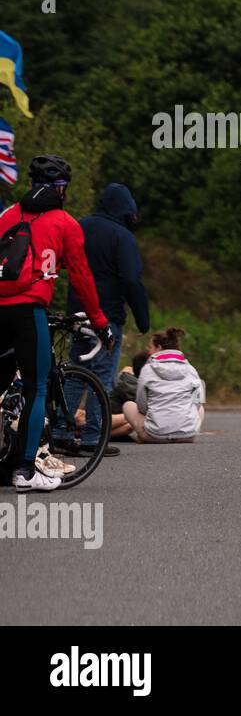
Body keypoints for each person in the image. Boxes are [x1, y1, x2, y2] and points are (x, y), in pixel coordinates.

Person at [0, 154, 115, 491]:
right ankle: (26, 471)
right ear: (62, 189)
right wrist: (101, 323)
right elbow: (82, 278)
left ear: (30, 185)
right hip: (27, 309)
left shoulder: (8, 216)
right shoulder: (65, 224)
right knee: (37, 387)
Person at [63, 183, 150, 459]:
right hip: (106, 315)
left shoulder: (79, 227)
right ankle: (92, 437)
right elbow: (131, 279)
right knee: (102, 377)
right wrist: (142, 317)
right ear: (127, 210)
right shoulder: (121, 236)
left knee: (76, 372)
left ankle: (60, 433)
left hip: (76, 313)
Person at [123, 327, 205, 443]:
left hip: (155, 435)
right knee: (200, 407)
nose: (149, 352)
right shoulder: (191, 369)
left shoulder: (147, 369)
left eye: (150, 347)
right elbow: (198, 401)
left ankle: (144, 435)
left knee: (128, 405)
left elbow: (142, 406)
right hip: (188, 435)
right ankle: (183, 432)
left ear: (159, 348)